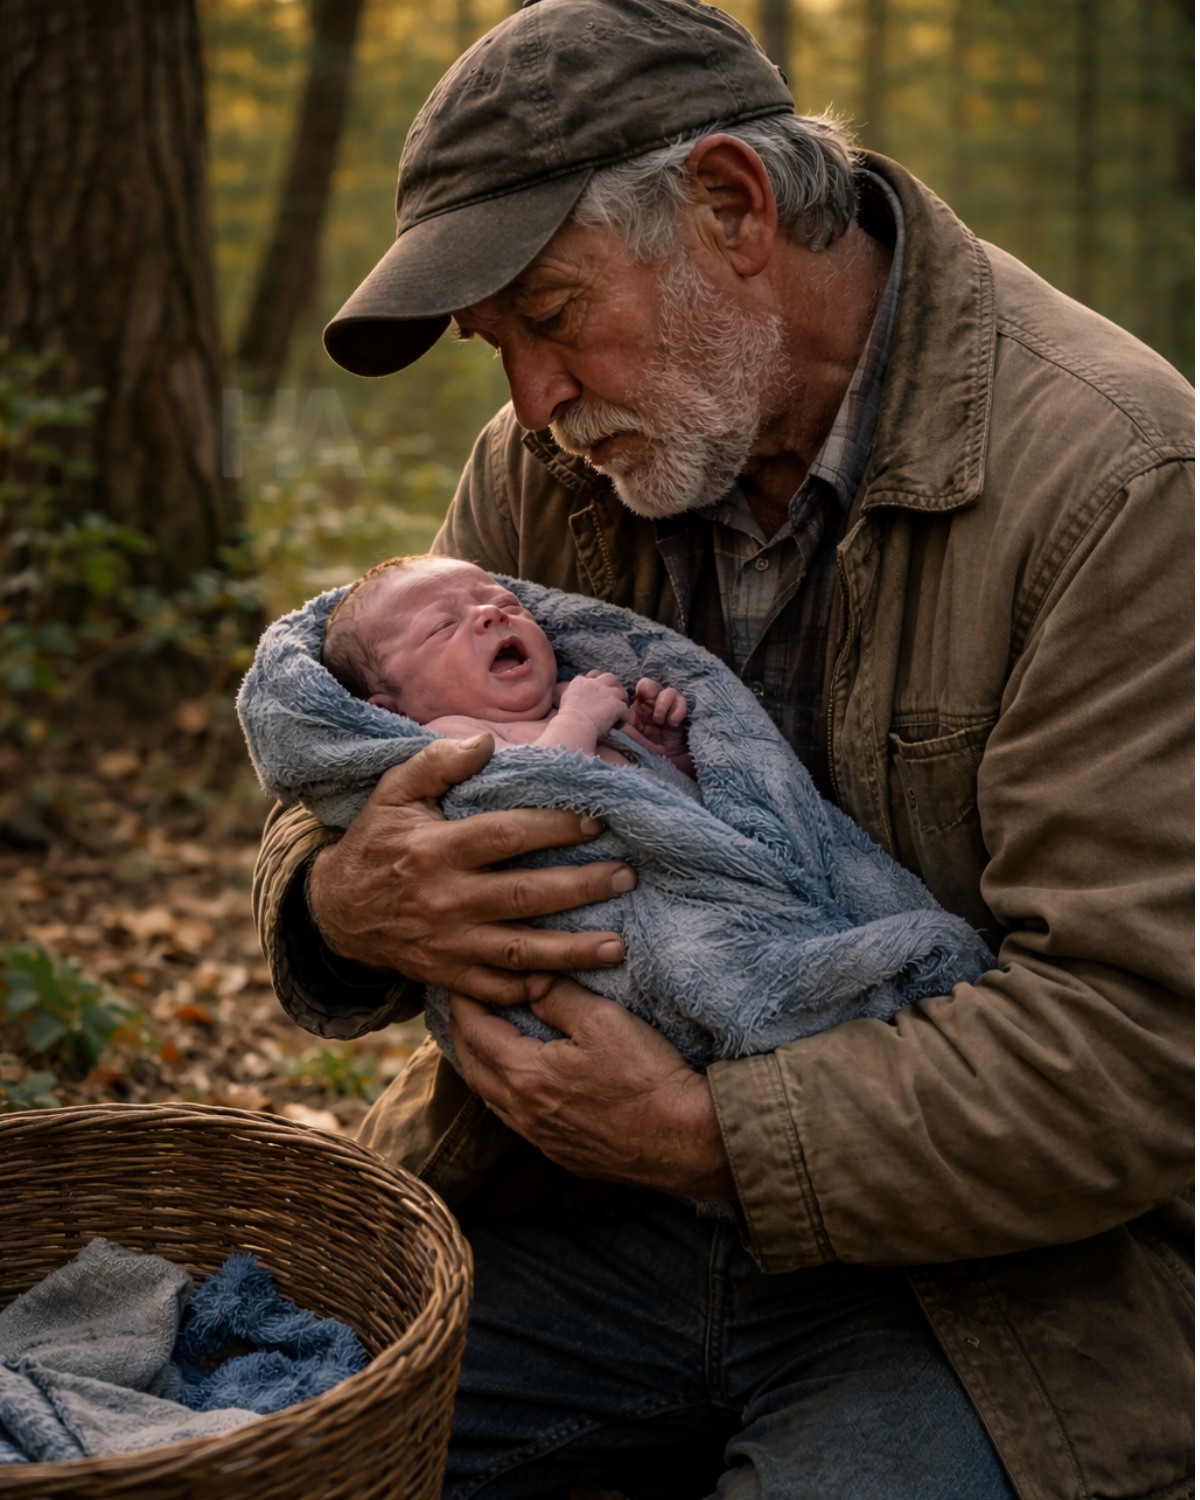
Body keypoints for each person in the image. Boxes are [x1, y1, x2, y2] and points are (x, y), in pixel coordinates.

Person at [252, 0, 1194, 1495]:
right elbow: (352, 765)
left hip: (975, 1284)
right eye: (498, 350)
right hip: (564, 1220)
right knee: (257, 1443)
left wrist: (711, 1134)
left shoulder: (1124, 484)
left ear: (732, 207)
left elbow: (1146, 1053)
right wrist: (339, 904)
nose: (532, 406)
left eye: (553, 318)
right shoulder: (552, 467)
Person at [321, 553, 694, 772]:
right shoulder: (450, 737)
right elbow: (534, 791)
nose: (490, 614)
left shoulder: (569, 702)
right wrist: (579, 720)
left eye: (506, 605)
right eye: (444, 626)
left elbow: (671, 798)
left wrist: (664, 750)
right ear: (391, 712)